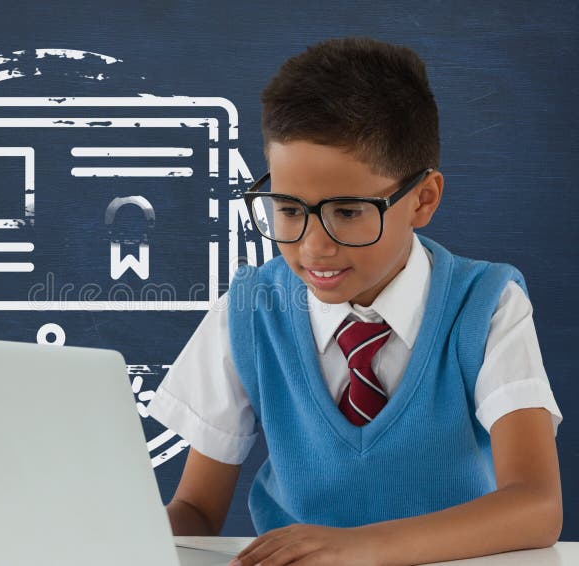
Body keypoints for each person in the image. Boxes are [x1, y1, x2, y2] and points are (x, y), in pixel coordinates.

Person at [146, 37, 563, 565]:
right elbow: (197, 513)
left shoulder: (486, 305)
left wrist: (361, 548)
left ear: (423, 199)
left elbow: (537, 507)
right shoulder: (250, 312)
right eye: (288, 209)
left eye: (348, 212)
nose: (312, 246)